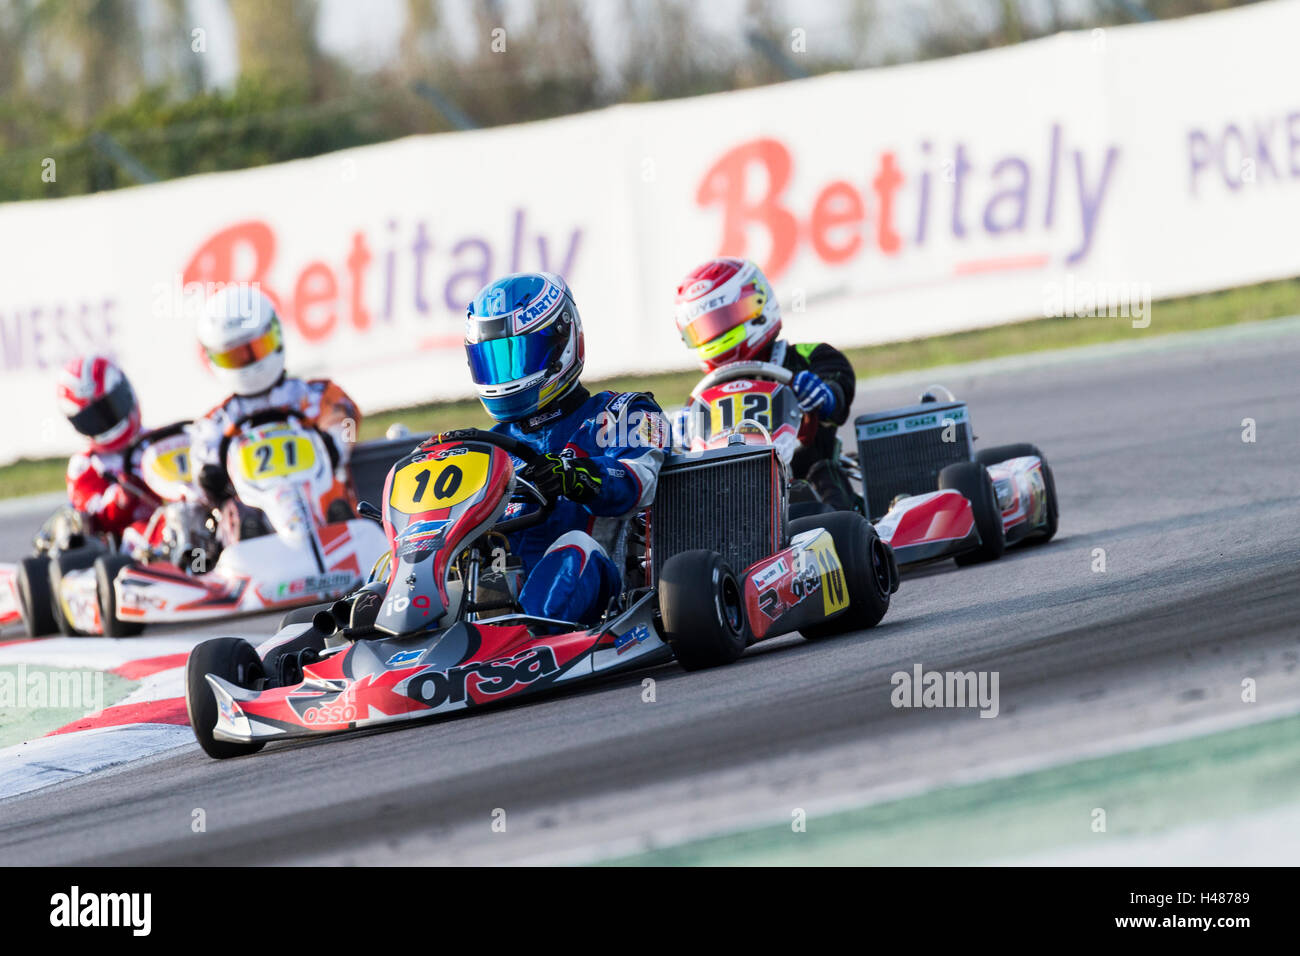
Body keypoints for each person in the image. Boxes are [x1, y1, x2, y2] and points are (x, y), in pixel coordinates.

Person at [464, 271, 666, 625]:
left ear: (560, 345)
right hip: (500, 584)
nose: (505, 375)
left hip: (600, 583)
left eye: (517, 356)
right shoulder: (485, 448)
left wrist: (577, 476)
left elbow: (642, 480)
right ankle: (381, 638)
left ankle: (530, 632)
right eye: (492, 361)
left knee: (571, 548)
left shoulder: (628, 412)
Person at [673, 256, 860, 512]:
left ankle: (844, 536)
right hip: (730, 496)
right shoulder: (703, 397)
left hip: (806, 484)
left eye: (725, 318)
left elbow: (839, 386)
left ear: (758, 305)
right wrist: (682, 441)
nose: (716, 333)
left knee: (822, 473)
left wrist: (824, 395)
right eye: (704, 328)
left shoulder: (808, 358)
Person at [190, 286, 360, 539]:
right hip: (261, 524)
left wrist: (334, 442)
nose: (249, 362)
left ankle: (343, 525)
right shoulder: (214, 424)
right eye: (236, 356)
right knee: (233, 513)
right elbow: (201, 483)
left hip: (320, 510)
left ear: (275, 335)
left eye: (256, 348)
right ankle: (250, 539)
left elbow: (346, 422)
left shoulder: (317, 395)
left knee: (332, 489)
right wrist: (211, 481)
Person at [57, 354, 160, 553]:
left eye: (111, 408)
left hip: (178, 523)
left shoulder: (160, 441)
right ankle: (196, 567)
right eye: (93, 418)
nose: (105, 421)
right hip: (127, 548)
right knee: (137, 534)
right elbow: (92, 518)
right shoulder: (86, 466)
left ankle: (204, 565)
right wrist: (120, 500)